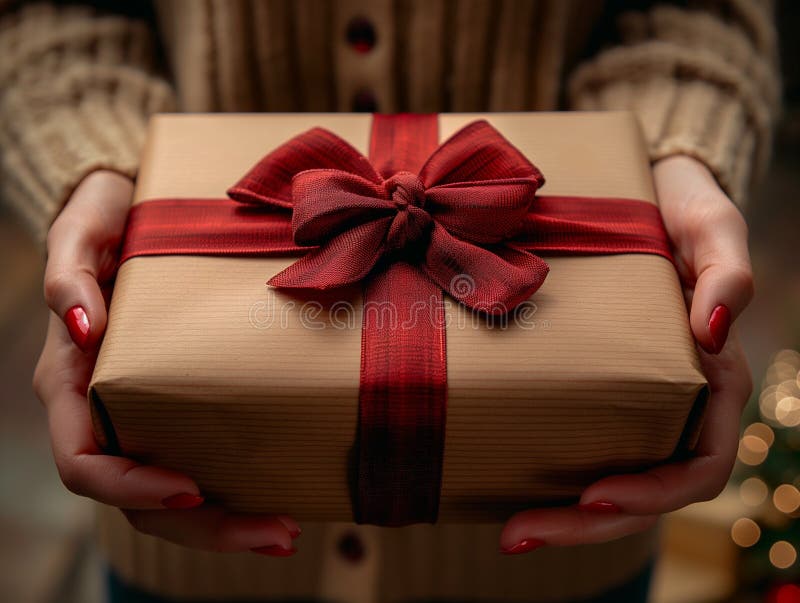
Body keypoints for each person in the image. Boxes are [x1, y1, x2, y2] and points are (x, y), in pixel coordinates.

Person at [1, 1, 778, 601]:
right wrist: (92, 170)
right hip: (187, 564)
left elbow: (698, 13)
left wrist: (677, 156)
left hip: (561, 572)